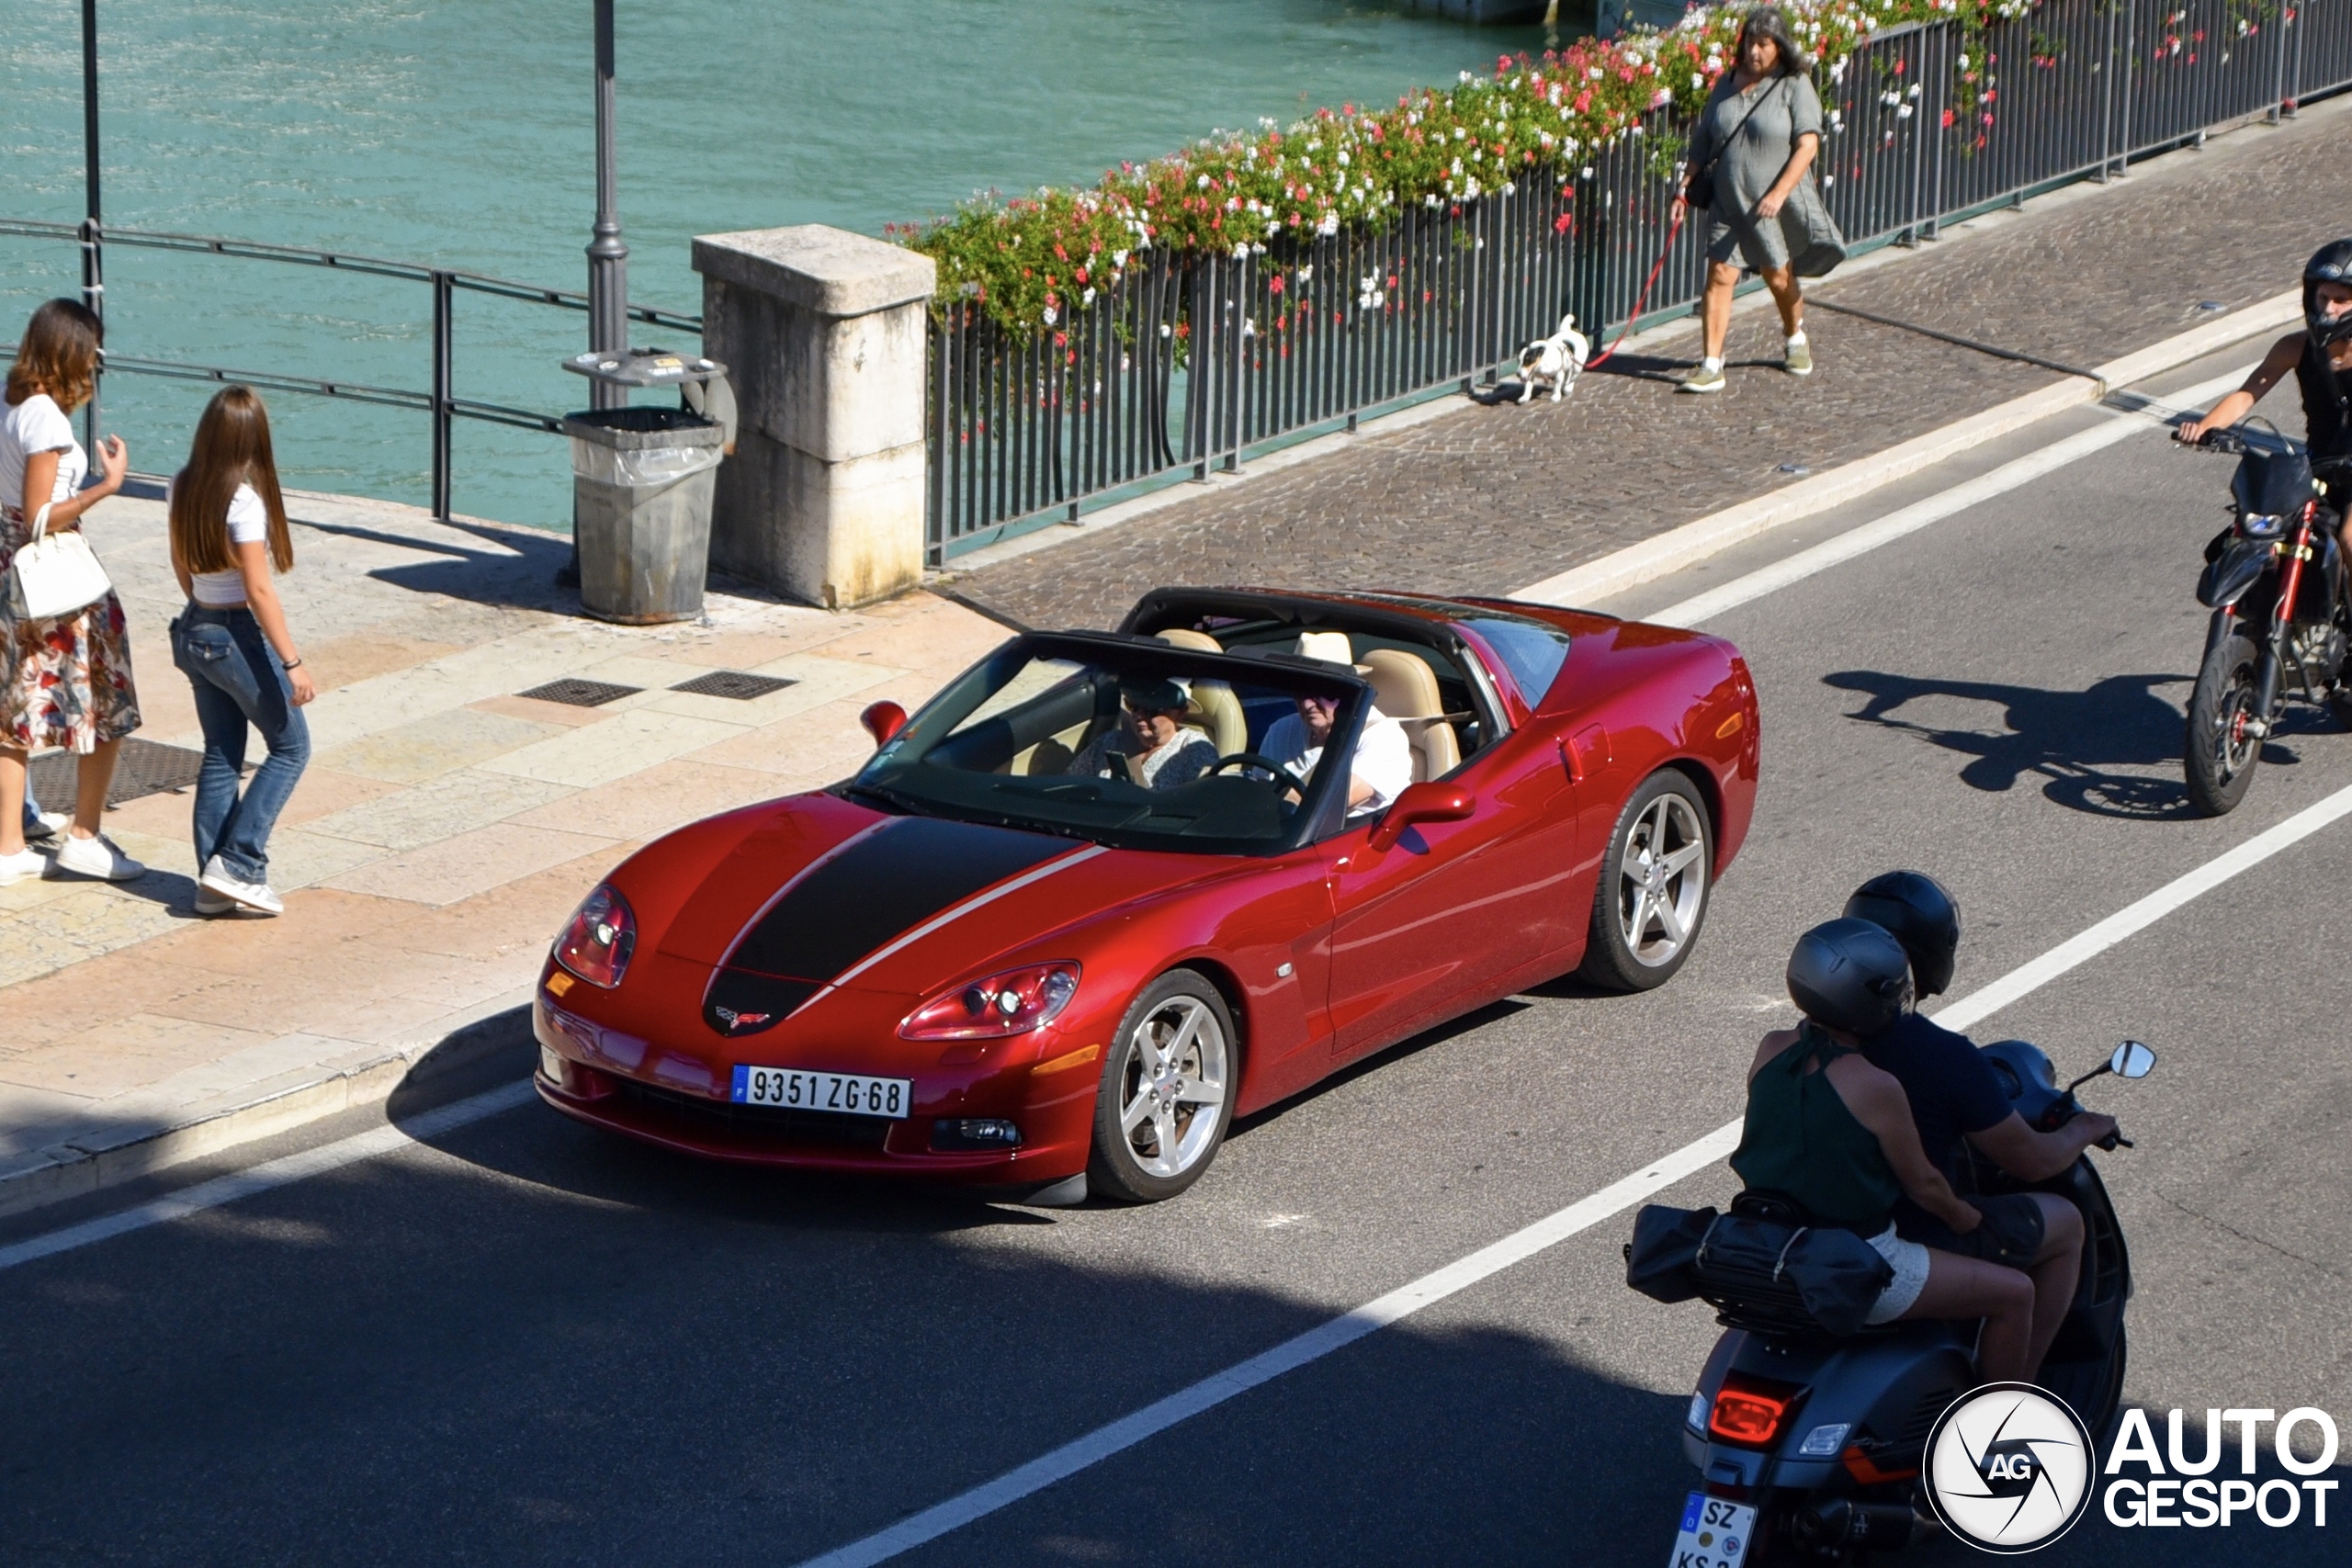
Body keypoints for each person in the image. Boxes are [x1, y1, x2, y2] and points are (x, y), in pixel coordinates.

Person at [1732, 919, 2045, 1384]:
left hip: (1774, 1241)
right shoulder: (1874, 1084)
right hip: (1861, 1258)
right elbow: (1925, 1184)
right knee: (2016, 1294)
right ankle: (1998, 1419)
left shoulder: (1771, 1049)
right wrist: (1964, 1217)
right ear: (1867, 1000)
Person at [1846, 871, 2115, 1382]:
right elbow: (2030, 1161)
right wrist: (2085, 1128)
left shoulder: (1801, 1043)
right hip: (1902, 1238)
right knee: (2065, 1224)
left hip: (1814, 1231)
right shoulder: (1943, 1056)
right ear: (1931, 955)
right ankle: (2010, 1401)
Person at [0, 299, 143, 887]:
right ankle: (84, 835)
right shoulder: (46, 420)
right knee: (107, 695)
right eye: (92, 352)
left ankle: (9, 846)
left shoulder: (9, 400)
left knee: (14, 704)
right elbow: (40, 514)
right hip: (53, 574)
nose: (96, 363)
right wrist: (106, 486)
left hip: (11, 564)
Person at [167, 386, 315, 916]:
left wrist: (203, 611)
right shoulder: (244, 501)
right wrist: (292, 663)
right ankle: (239, 863)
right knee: (292, 747)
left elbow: (180, 563)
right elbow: (258, 590)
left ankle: (212, 885)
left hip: (195, 628)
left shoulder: (181, 483)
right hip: (234, 634)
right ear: (251, 440)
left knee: (221, 752)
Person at [1669, 6, 1842, 394]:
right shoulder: (1727, 83)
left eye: (1763, 44)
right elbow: (1703, 141)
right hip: (1728, 201)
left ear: (1780, 47)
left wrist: (1779, 193)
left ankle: (1794, 336)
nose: (1754, 51)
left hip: (1768, 206)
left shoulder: (1795, 85)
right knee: (1719, 275)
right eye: (1750, 42)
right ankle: (1711, 364)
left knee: (1778, 276)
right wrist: (1684, 187)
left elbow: (1808, 145)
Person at [2177, 239, 2352, 476]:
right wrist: (2204, 427)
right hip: (2317, 468)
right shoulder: (2294, 347)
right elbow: (2246, 396)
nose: (2328, 309)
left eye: (2341, 301)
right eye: (2323, 298)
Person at [1262, 631, 1414, 816]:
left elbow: (1330, 803)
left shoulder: (1385, 737)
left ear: (1347, 691)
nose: (1307, 704)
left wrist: (1269, 804)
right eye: (1299, 693)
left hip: (1349, 833)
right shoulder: (1281, 730)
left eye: (1319, 692)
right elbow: (1256, 787)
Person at [1067, 677, 1216, 790]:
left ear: (1180, 713)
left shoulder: (1193, 748)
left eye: (1152, 710)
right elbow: (1070, 784)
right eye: (1133, 706)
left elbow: (1205, 800)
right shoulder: (1110, 741)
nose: (1139, 716)